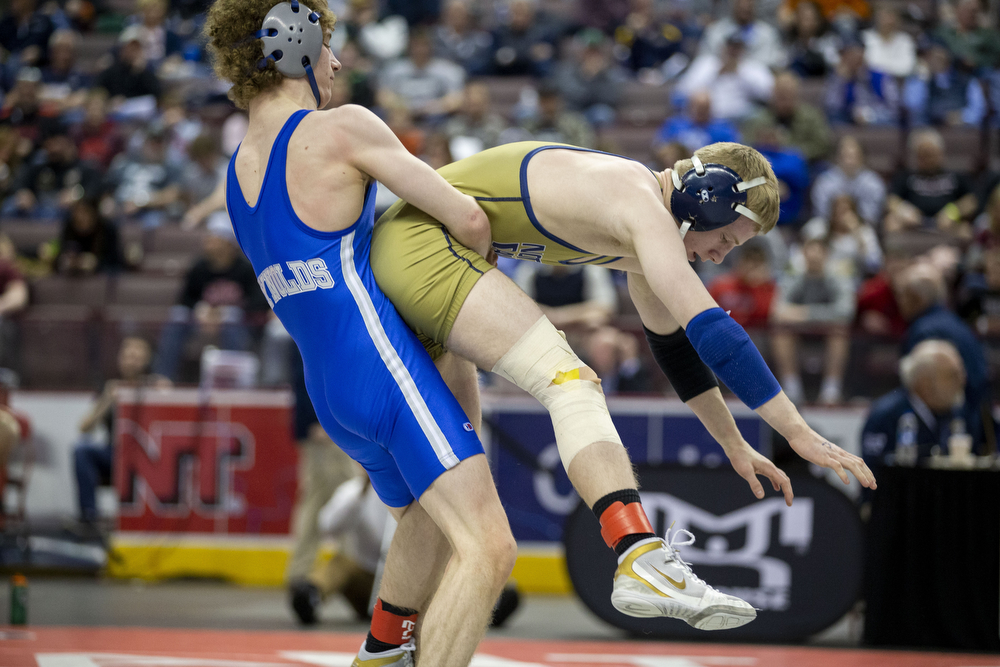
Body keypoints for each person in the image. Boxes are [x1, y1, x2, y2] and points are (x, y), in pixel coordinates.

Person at [373, 137, 876, 635]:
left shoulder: (641, 229)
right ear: (707, 200)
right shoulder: (640, 203)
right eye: (726, 239)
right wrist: (796, 431)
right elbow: (716, 333)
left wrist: (733, 443)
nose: (719, 257)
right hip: (422, 245)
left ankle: (388, 639)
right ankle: (638, 554)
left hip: (426, 249)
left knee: (449, 484)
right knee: (569, 380)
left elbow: (677, 352)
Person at [205, 2, 516, 665]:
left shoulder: (237, 171)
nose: (337, 62)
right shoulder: (342, 128)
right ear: (292, 45)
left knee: (427, 526)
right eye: (326, 47)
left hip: (333, 393)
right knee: (489, 547)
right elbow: (468, 220)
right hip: (385, 372)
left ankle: (379, 653)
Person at [153, 213, 270, 382]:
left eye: (214, 239)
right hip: (201, 320)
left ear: (228, 243)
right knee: (177, 317)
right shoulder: (199, 267)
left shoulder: (245, 269)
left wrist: (225, 312)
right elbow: (185, 298)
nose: (208, 243)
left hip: (237, 322)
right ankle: (164, 376)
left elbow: (259, 301)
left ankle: (233, 379)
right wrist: (199, 309)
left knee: (232, 320)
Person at [860, 340, 979, 500]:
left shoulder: (961, 413)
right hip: (901, 507)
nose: (963, 381)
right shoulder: (886, 416)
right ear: (925, 384)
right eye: (952, 375)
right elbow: (872, 477)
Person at [73, 337, 169, 528]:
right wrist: (107, 401)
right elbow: (84, 428)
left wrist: (164, 394)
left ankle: (162, 518)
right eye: (127, 355)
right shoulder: (111, 388)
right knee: (81, 451)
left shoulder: (156, 386)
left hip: (147, 456)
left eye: (136, 356)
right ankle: (89, 515)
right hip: (115, 454)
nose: (131, 361)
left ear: (147, 359)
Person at [895, 262, 992, 444]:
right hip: (973, 417)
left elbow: (919, 387)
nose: (899, 303)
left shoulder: (924, 330)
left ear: (917, 298)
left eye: (902, 296)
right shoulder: (956, 323)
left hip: (951, 425)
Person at [770, 236, 856, 405]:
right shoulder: (793, 278)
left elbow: (845, 312)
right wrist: (810, 318)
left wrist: (805, 314)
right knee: (780, 331)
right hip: (800, 333)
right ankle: (792, 389)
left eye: (819, 252)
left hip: (827, 334)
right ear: (803, 254)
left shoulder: (839, 279)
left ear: (827, 254)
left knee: (839, 331)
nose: (814, 256)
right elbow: (778, 311)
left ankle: (831, 391)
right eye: (810, 251)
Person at [884, 129, 978, 237]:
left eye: (932, 154)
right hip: (914, 223)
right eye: (923, 155)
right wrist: (904, 210)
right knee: (891, 223)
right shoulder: (906, 177)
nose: (928, 159)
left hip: (947, 223)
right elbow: (891, 200)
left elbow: (971, 201)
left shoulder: (955, 177)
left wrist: (952, 213)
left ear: (941, 153)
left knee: (966, 230)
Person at [743, 70, 833, 163]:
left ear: (797, 96)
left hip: (806, 164)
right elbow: (747, 144)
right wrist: (764, 144)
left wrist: (795, 152)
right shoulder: (760, 119)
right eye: (781, 96)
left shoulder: (811, 117)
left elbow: (823, 144)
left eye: (789, 96)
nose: (785, 101)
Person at [811, 134, 886, 225]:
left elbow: (872, 216)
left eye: (853, 156)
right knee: (815, 227)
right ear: (837, 157)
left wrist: (852, 223)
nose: (849, 161)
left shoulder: (873, 183)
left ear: (862, 157)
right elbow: (821, 212)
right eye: (845, 156)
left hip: (862, 226)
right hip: (830, 226)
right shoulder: (824, 181)